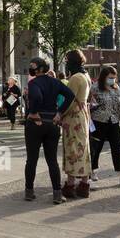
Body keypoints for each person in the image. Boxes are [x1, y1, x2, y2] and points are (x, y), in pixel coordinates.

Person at [22, 58, 74, 203]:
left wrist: (33, 112)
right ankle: (57, 193)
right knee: (52, 160)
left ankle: (29, 192)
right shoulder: (55, 82)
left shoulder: (33, 83)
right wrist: (60, 113)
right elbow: (70, 95)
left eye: (32, 67)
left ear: (39, 69)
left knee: (31, 160)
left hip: (35, 123)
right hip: (52, 122)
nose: (30, 69)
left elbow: (37, 96)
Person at [88, 65, 120, 188]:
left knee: (117, 149)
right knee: (96, 148)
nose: (113, 80)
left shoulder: (116, 88)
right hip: (98, 121)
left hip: (113, 121)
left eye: (114, 78)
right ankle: (92, 172)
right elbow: (89, 104)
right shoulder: (94, 88)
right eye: (110, 78)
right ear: (104, 77)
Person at [59, 50, 93, 199]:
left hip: (73, 117)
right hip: (83, 114)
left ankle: (70, 184)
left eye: (67, 60)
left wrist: (59, 114)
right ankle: (84, 185)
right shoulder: (86, 75)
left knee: (72, 148)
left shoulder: (74, 78)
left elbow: (69, 100)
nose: (65, 63)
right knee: (83, 149)